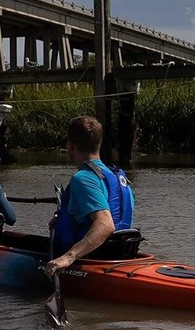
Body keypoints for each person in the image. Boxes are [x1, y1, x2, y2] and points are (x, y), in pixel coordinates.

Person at [45, 116, 136, 277]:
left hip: (94, 260)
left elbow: (106, 224)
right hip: (121, 257)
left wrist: (68, 257)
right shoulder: (119, 178)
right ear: (98, 145)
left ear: (71, 146)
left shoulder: (83, 179)